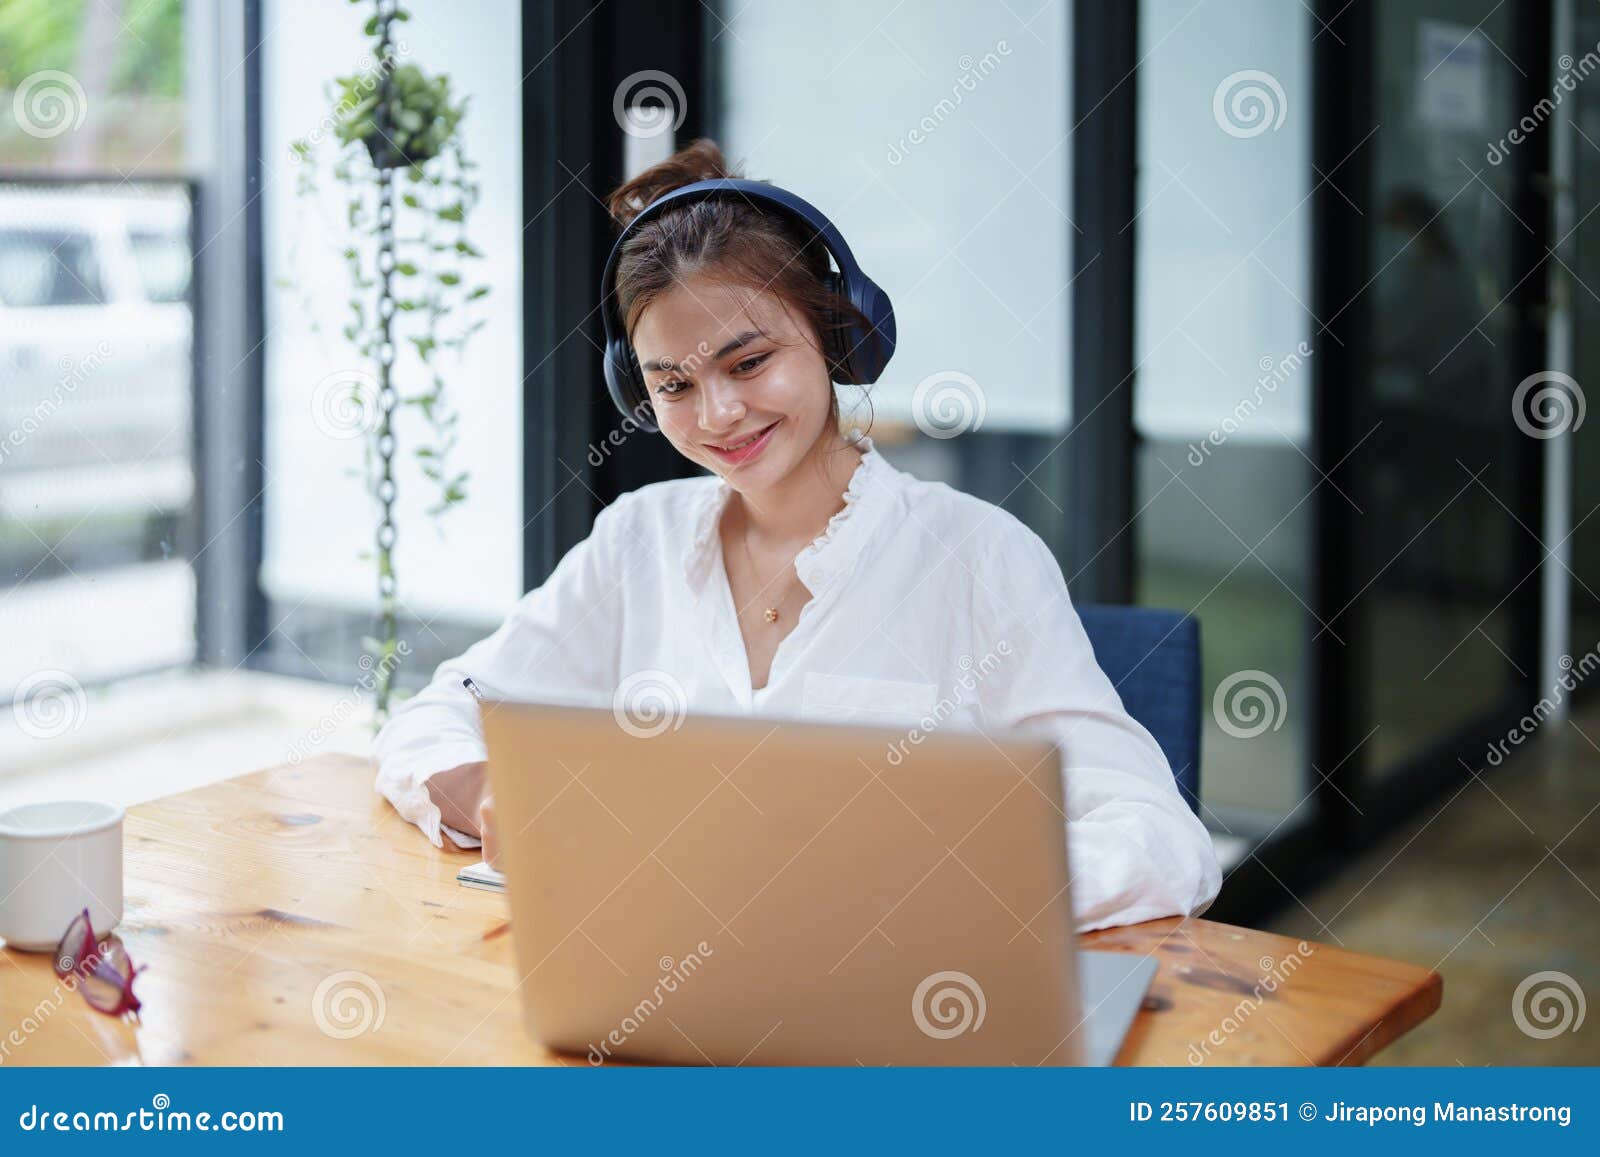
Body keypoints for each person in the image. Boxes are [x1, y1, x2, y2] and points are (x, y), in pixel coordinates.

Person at [372, 138, 1220, 932]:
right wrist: (494, 792)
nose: (718, 414)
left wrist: (923, 883)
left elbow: (1160, 839)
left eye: (747, 363)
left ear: (836, 331)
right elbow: (440, 712)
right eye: (673, 384)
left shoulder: (977, 558)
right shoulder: (638, 541)